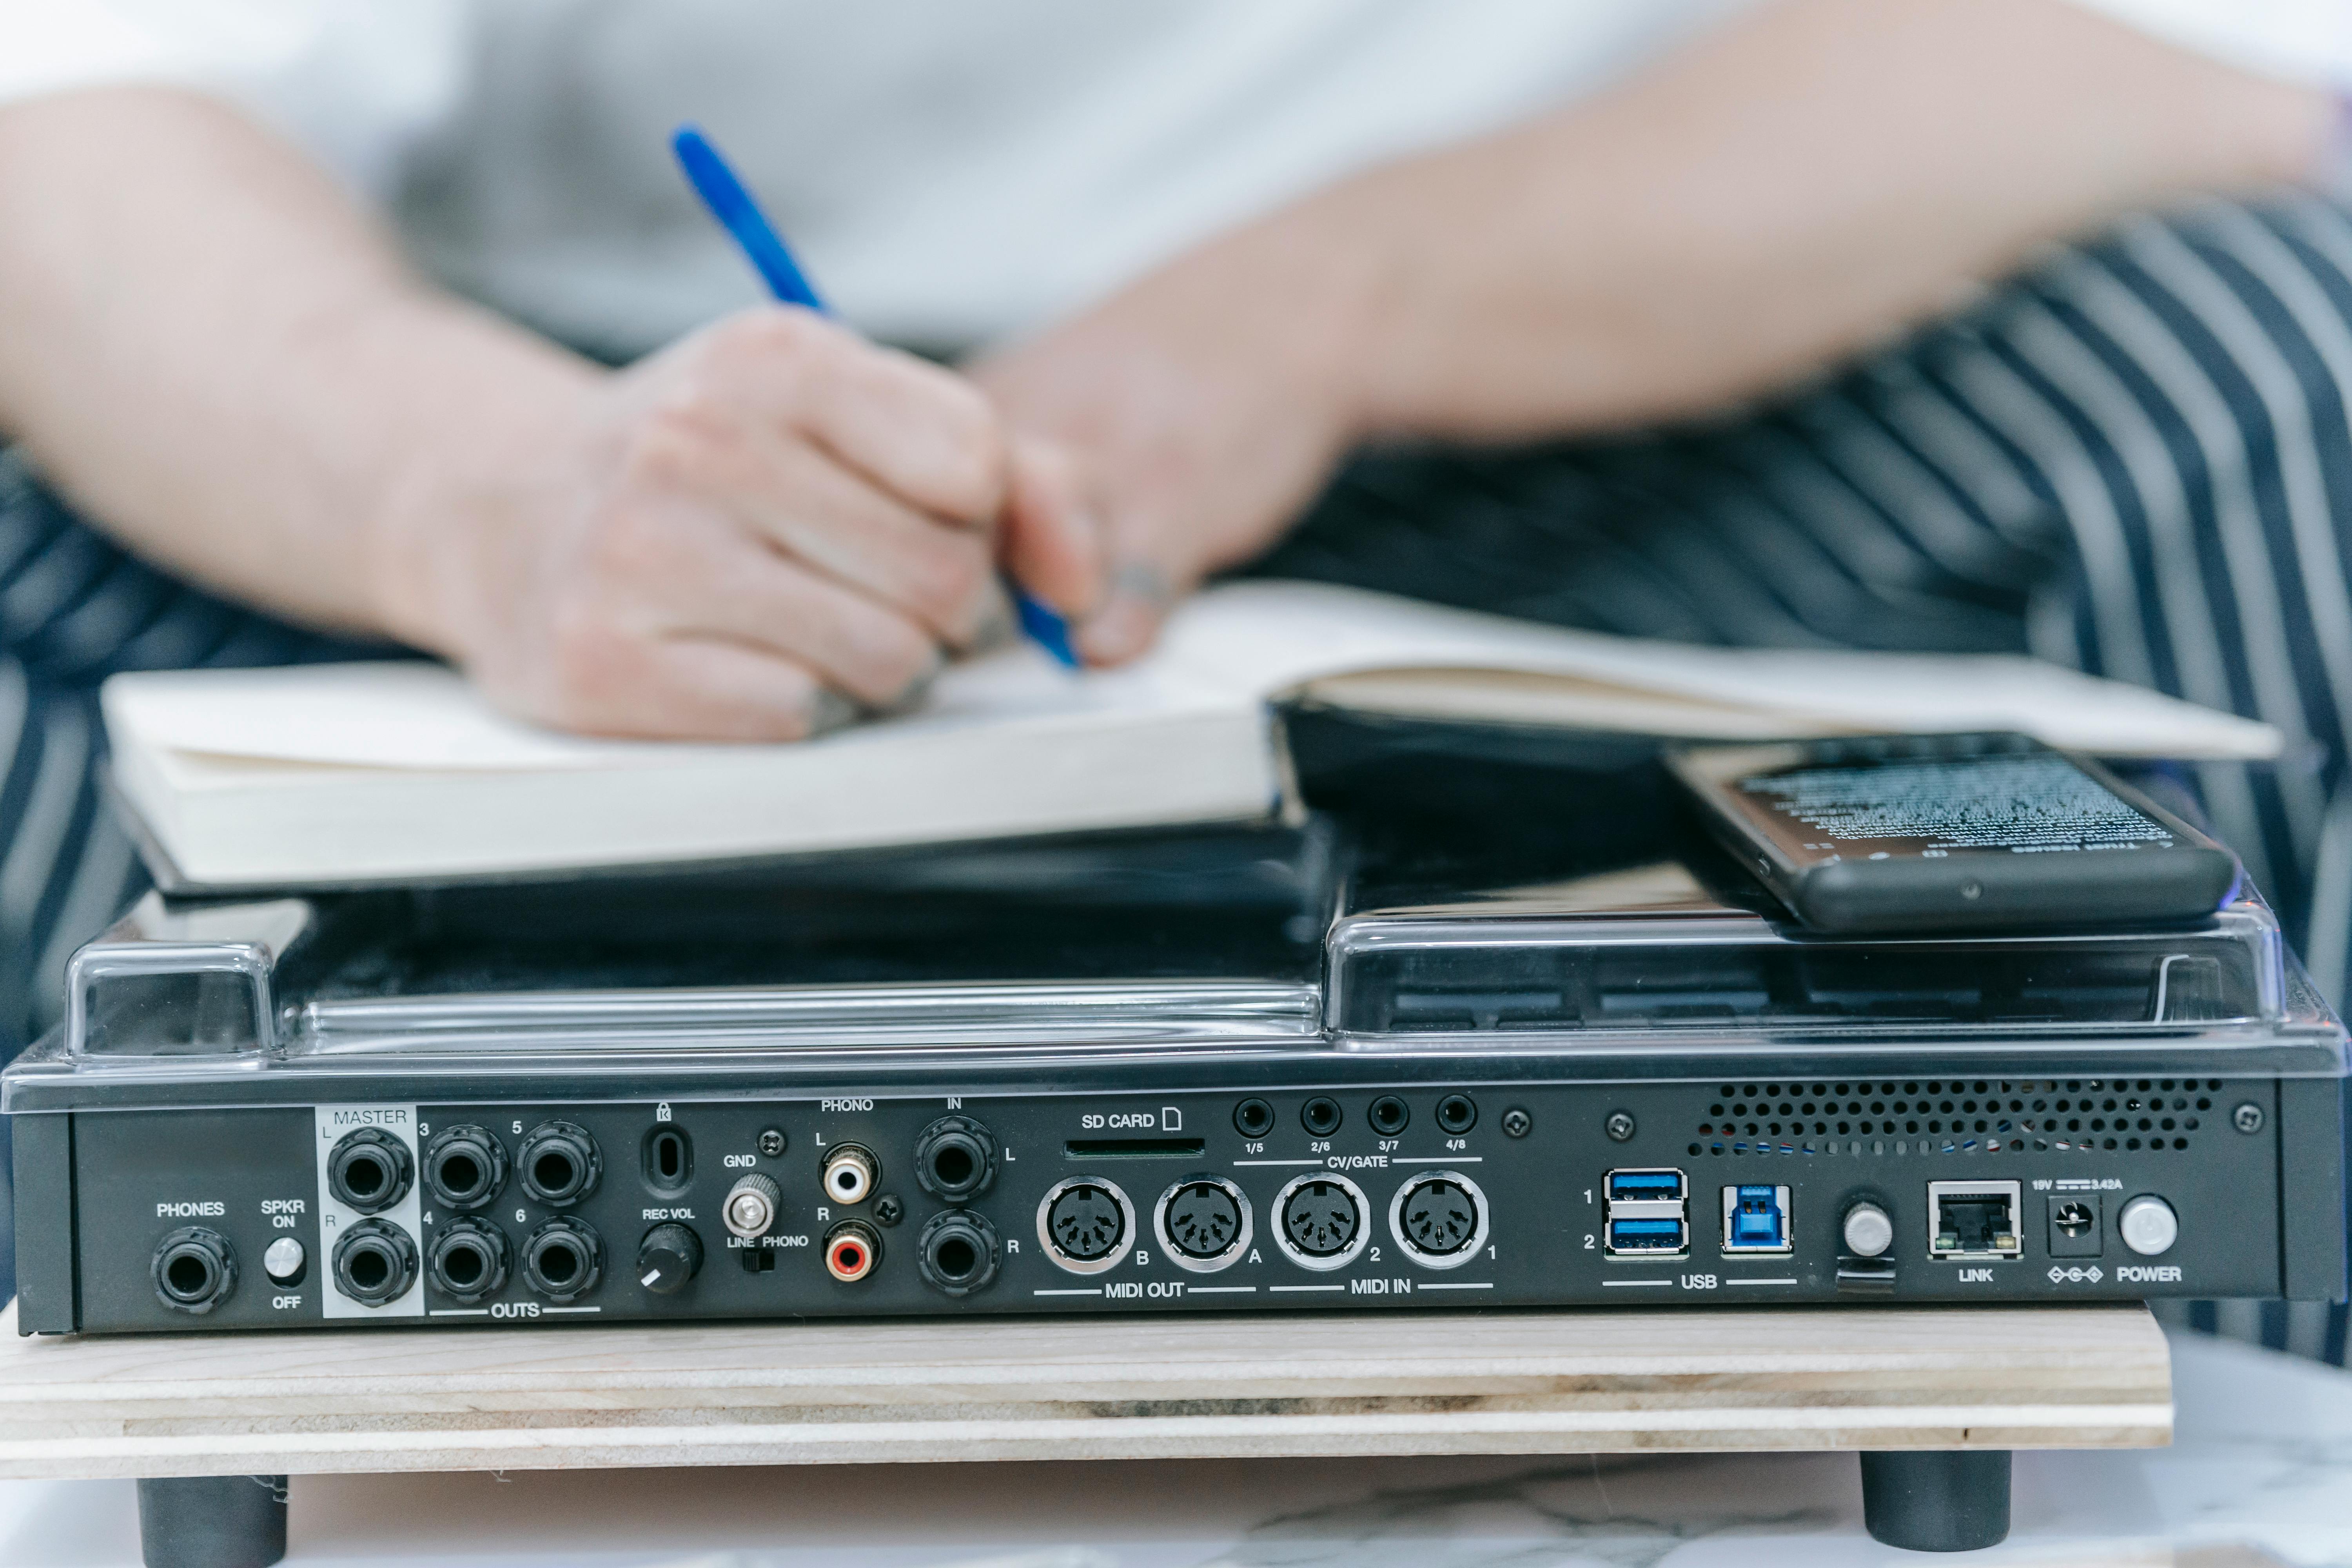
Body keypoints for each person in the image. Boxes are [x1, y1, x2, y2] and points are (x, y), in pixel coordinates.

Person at [0, 2, 2347, 1360]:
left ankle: (2246, 1408)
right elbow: (78, 148)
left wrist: (1325, 308)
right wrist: (485, 493)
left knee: (2270, 371)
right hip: (589, 413)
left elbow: (2187, 75)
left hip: (1617, 350)